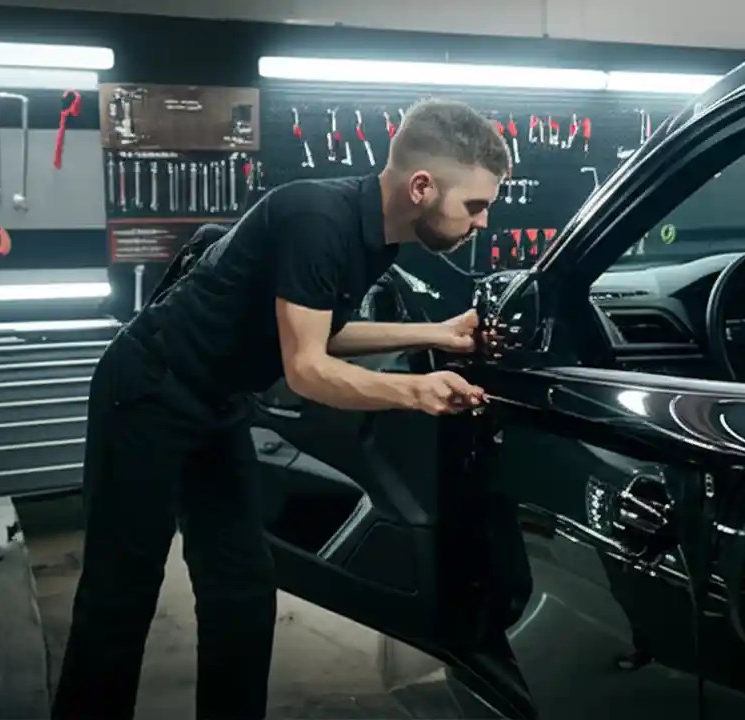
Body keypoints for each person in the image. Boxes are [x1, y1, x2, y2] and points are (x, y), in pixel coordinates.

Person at [51, 97, 510, 720]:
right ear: (422, 187)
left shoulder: (377, 237)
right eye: (475, 205)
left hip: (215, 403)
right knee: (120, 595)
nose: (482, 222)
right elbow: (307, 369)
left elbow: (319, 330)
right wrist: (416, 392)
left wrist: (439, 334)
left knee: (241, 590)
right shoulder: (316, 217)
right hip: (147, 391)